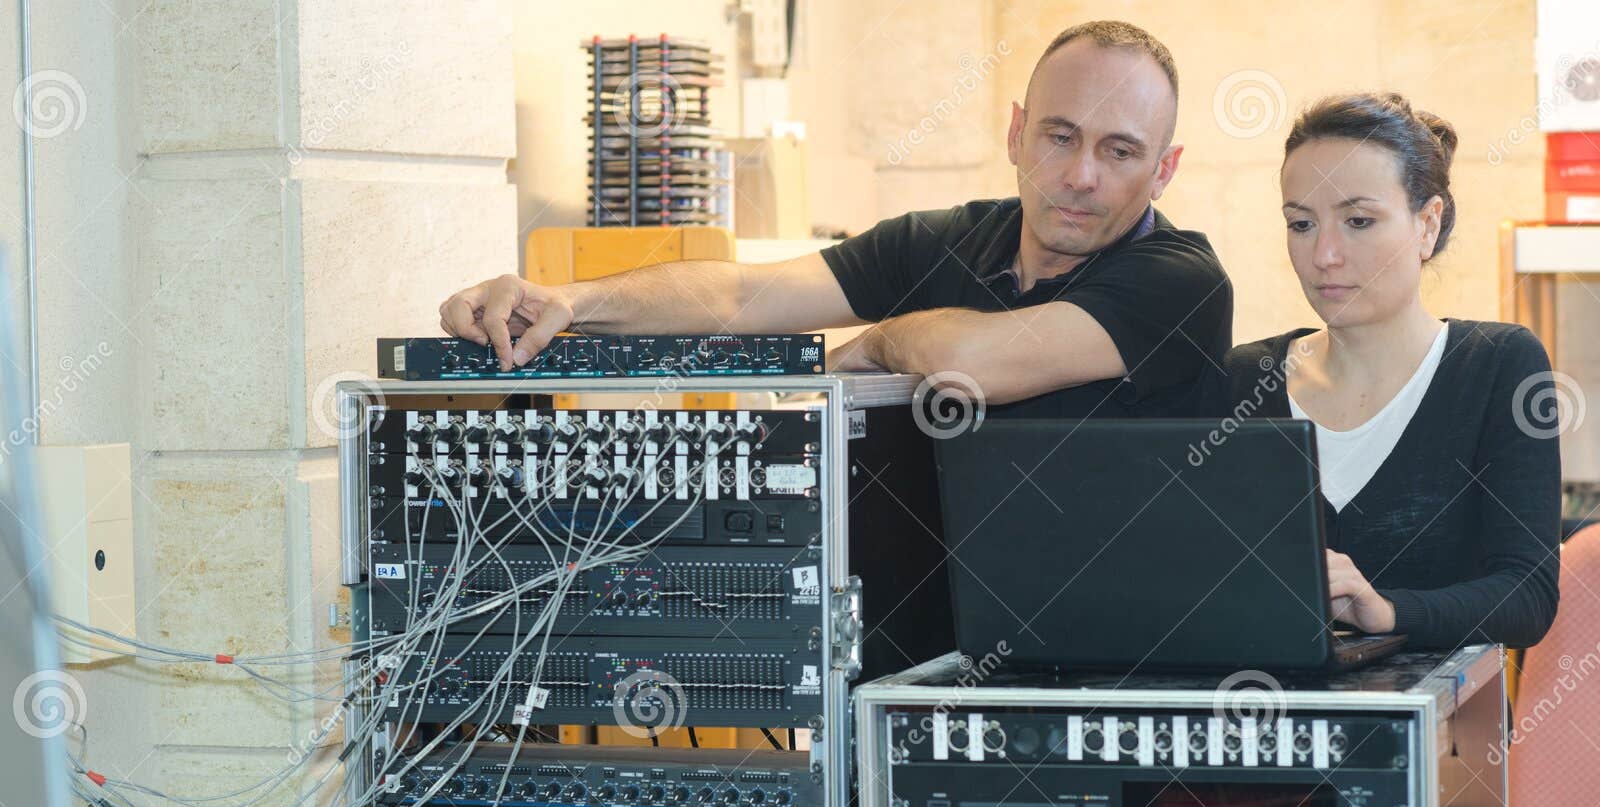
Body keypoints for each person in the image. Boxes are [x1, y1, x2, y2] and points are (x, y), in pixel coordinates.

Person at [438, 20, 1231, 419]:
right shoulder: (942, 241)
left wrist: (881, 342)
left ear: (1164, 170)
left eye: (1120, 151)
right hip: (920, 650)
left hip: (1111, 661)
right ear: (1017, 133)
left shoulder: (1181, 282)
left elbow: (977, 360)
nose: (1082, 175)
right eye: (1060, 137)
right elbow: (738, 294)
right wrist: (569, 300)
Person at [1199, 92, 1560, 649]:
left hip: (1442, 706)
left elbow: (1527, 596)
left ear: (1427, 225)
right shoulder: (1244, 379)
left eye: (1359, 221)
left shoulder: (1497, 365)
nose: (1325, 255)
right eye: (1301, 224)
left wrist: (1388, 612)